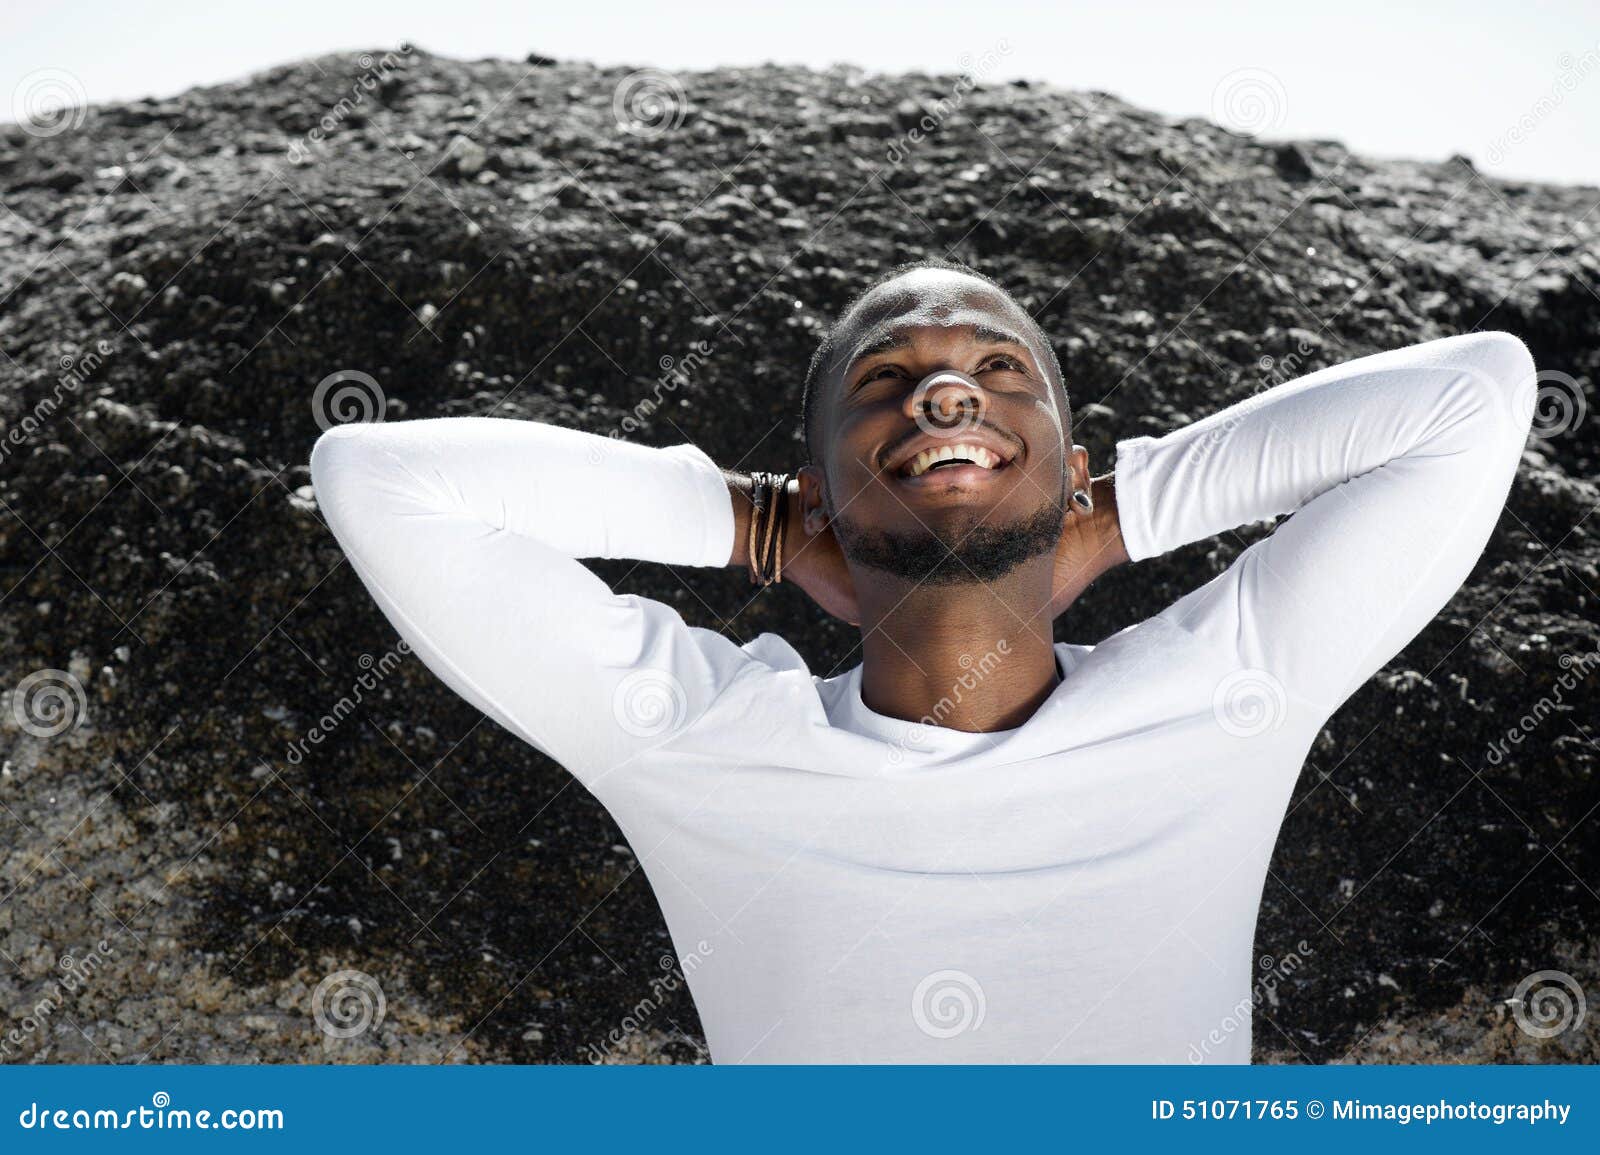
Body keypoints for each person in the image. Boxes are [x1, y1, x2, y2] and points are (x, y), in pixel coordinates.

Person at [309, 259, 1537, 1063]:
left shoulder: (1226, 695)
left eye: (1000, 371)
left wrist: (1108, 514)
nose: (947, 391)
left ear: (1067, 463)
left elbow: (1475, 395)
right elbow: (378, 477)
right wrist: (761, 523)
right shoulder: (696, 740)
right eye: (885, 380)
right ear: (821, 489)